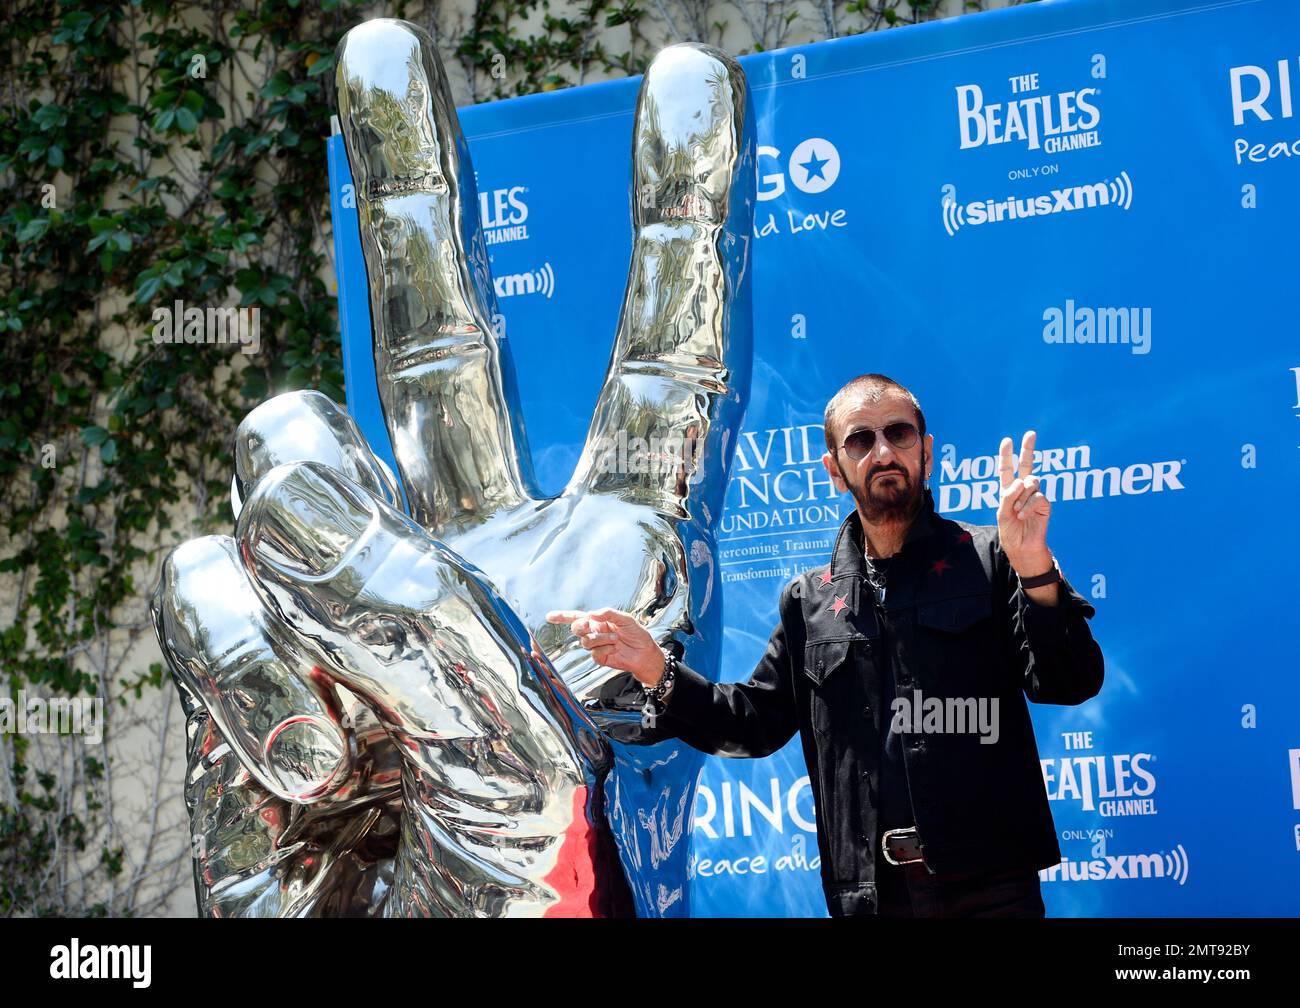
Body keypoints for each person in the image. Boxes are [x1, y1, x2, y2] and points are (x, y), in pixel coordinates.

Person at [548, 373, 1104, 918]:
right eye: (861, 440)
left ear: (926, 452)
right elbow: (753, 723)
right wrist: (654, 668)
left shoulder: (992, 559)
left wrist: (1034, 567)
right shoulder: (808, 601)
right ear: (835, 470)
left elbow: (1070, 682)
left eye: (899, 434)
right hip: (868, 896)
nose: (883, 451)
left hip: (992, 886)